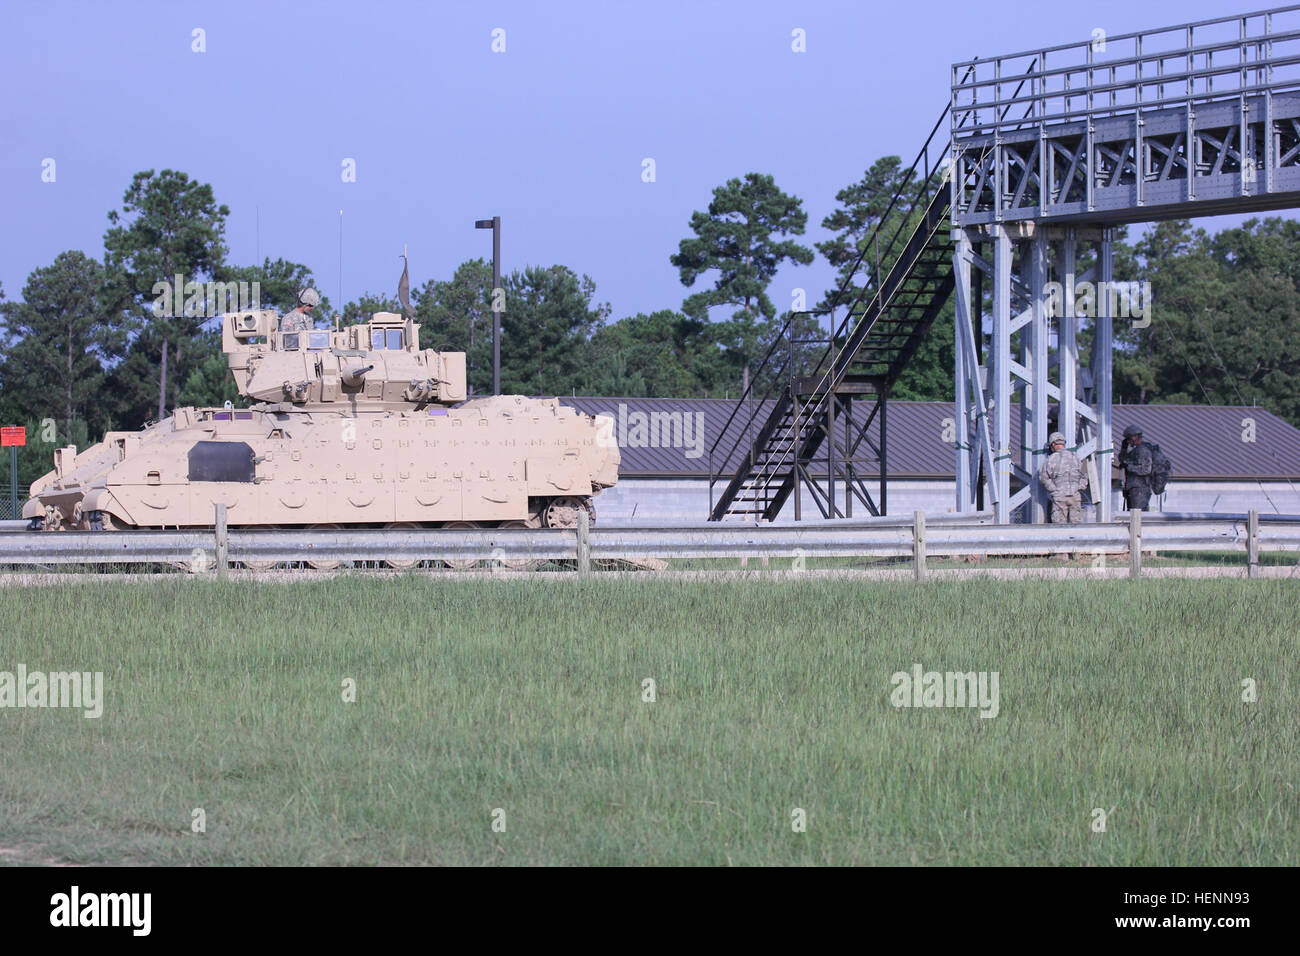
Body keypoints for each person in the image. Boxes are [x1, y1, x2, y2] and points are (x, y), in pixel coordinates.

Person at [1040, 431, 1088, 523]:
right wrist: (1079, 487)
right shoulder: (1076, 457)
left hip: (1059, 498)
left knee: (1059, 527)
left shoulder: (1051, 459)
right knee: (1076, 525)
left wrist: (1054, 490)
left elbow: (1044, 477)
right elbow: (1084, 475)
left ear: (1053, 444)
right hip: (1075, 496)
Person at [1118, 424, 1154, 511]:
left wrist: (1129, 467)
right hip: (1133, 488)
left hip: (1140, 490)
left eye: (1129, 439)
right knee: (1131, 516)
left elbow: (1146, 470)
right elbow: (1123, 460)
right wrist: (1124, 448)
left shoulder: (1143, 450)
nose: (1128, 441)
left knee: (1137, 516)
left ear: (1135, 437)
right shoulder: (1135, 451)